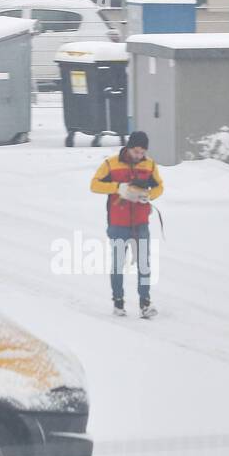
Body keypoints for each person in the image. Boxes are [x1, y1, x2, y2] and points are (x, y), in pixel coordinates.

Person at [89, 131, 164, 318]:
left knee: (144, 264)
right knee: (118, 264)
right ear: (129, 147)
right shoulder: (110, 164)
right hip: (118, 223)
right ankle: (118, 302)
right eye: (136, 151)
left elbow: (159, 186)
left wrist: (149, 195)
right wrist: (117, 188)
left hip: (141, 223)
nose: (139, 156)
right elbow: (94, 185)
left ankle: (145, 303)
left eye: (142, 152)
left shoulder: (149, 165)